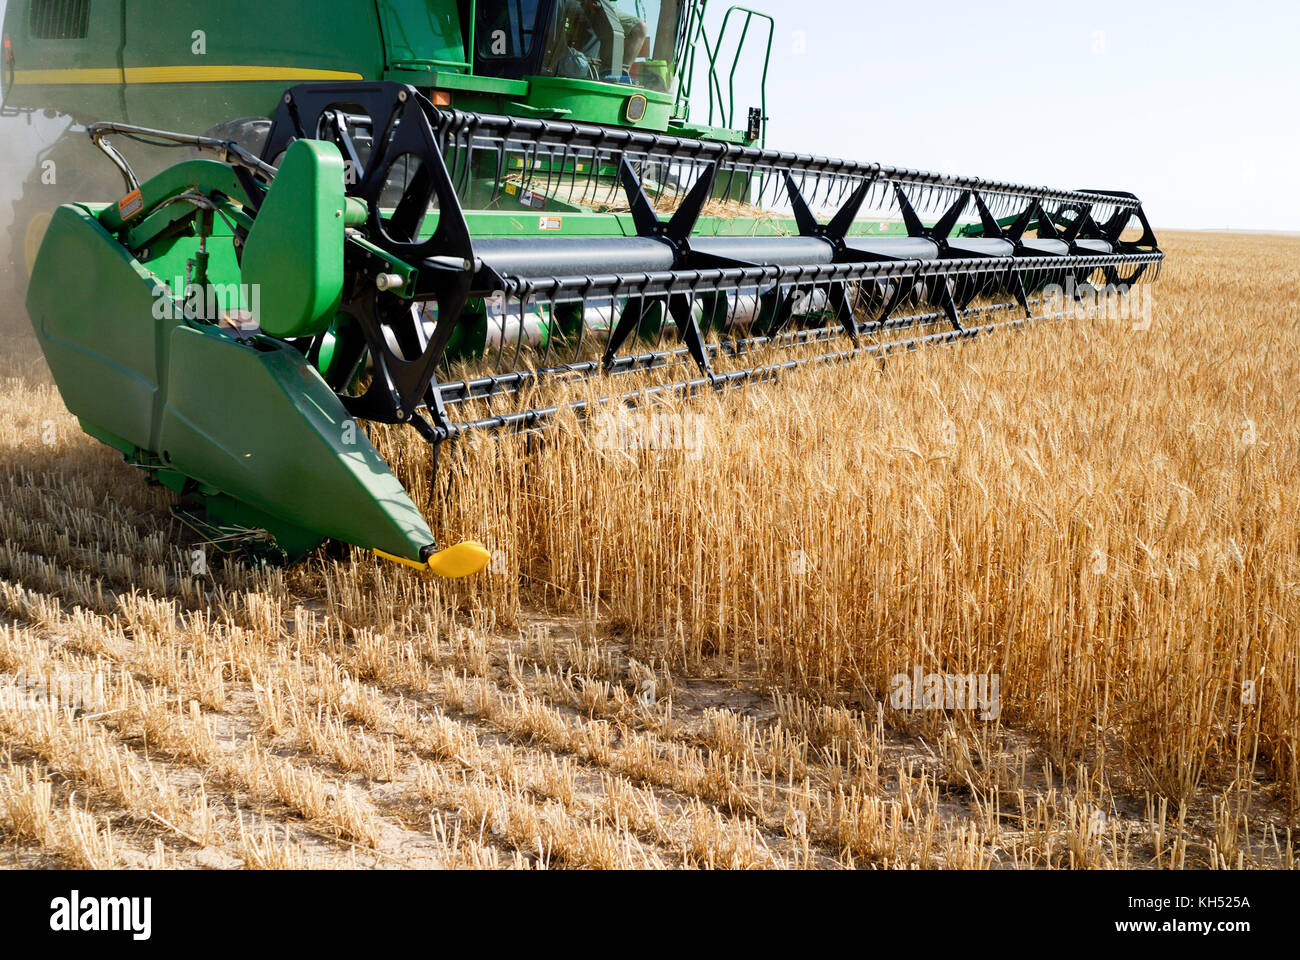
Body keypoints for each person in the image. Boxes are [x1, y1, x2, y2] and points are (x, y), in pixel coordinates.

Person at [559, 0, 649, 80]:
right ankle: (578, 68)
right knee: (592, 19)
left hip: (606, 5)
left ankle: (620, 75)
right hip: (573, 2)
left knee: (640, 28)